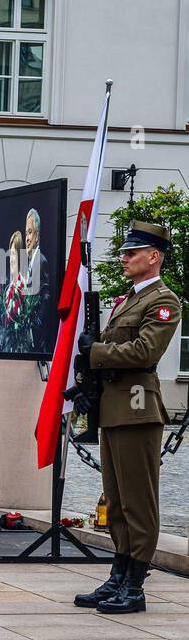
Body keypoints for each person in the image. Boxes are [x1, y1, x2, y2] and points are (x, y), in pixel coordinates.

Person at [74, 221, 182, 615]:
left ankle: (135, 584)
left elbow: (144, 352)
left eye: (131, 252)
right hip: (115, 408)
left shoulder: (163, 300)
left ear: (153, 257)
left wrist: (96, 351)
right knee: (117, 500)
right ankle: (118, 573)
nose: (124, 258)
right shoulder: (127, 300)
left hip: (137, 410)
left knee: (138, 502)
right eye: (123, 252)